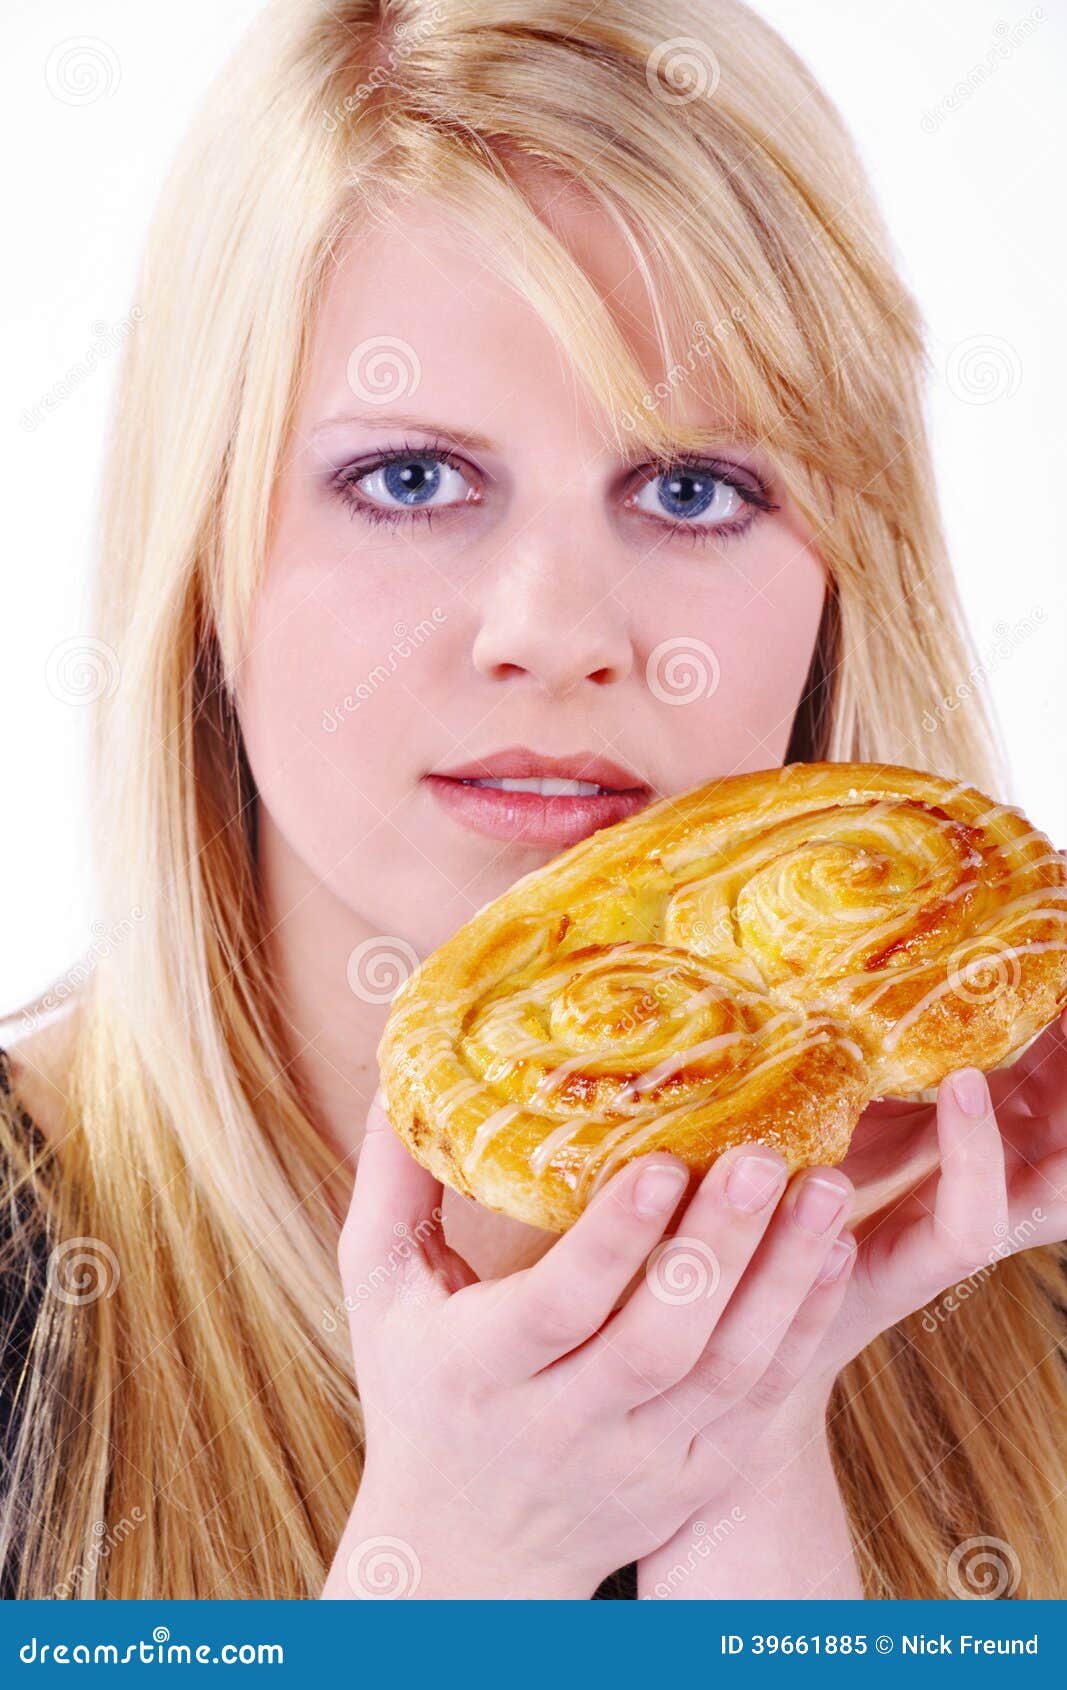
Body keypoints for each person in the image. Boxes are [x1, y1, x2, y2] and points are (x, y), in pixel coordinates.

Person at [2, 0, 1066, 1601]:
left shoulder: (1026, 1254)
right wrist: (457, 1567)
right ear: (206, 552)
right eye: (413, 478)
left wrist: (746, 1455)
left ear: (843, 575)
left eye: (694, 488)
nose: (558, 634)